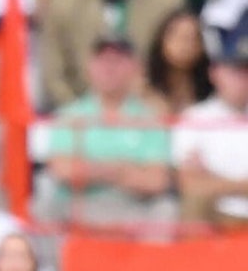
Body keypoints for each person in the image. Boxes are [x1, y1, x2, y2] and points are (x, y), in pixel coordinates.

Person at [36, 36, 175, 229]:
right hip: (79, 204)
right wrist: (120, 170)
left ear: (135, 67)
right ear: (89, 67)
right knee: (42, 206)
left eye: (117, 61)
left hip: (131, 207)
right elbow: (61, 170)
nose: (109, 68)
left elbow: (156, 180)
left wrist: (95, 170)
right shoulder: (70, 115)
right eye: (102, 60)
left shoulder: (150, 119)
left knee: (166, 210)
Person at [39, 0, 186, 111]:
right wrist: (80, 112)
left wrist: (157, 108)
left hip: (153, 111)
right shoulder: (64, 4)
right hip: (79, 117)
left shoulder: (167, 2)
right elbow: (54, 73)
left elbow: (181, 63)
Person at [173, 9, 248, 228]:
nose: (243, 78)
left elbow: (202, 182)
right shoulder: (194, 117)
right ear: (214, 72)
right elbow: (189, 184)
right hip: (215, 215)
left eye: (247, 69)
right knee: (194, 202)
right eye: (235, 69)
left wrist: (213, 178)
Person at [144, 8, 213, 117]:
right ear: (161, 39)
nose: (184, 44)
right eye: (177, 35)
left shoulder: (213, 89)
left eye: (193, 38)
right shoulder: (142, 86)